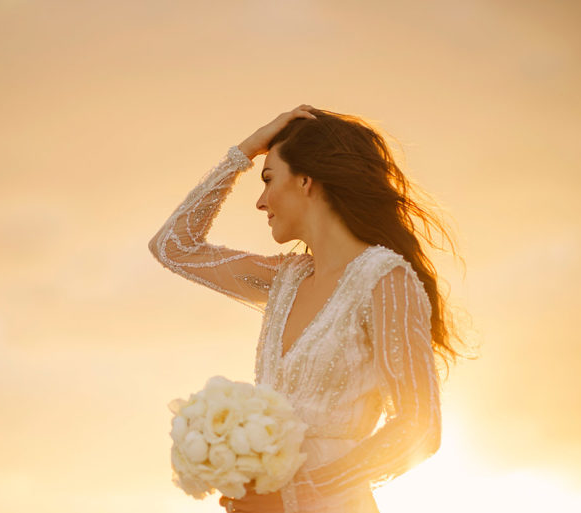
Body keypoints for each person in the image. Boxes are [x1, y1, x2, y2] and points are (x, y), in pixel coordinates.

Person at [148, 104, 467, 513]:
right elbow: (173, 246)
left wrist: (302, 492)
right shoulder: (285, 280)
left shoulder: (385, 279)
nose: (261, 202)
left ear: (305, 181)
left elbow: (420, 427)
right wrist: (245, 152)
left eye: (267, 180)